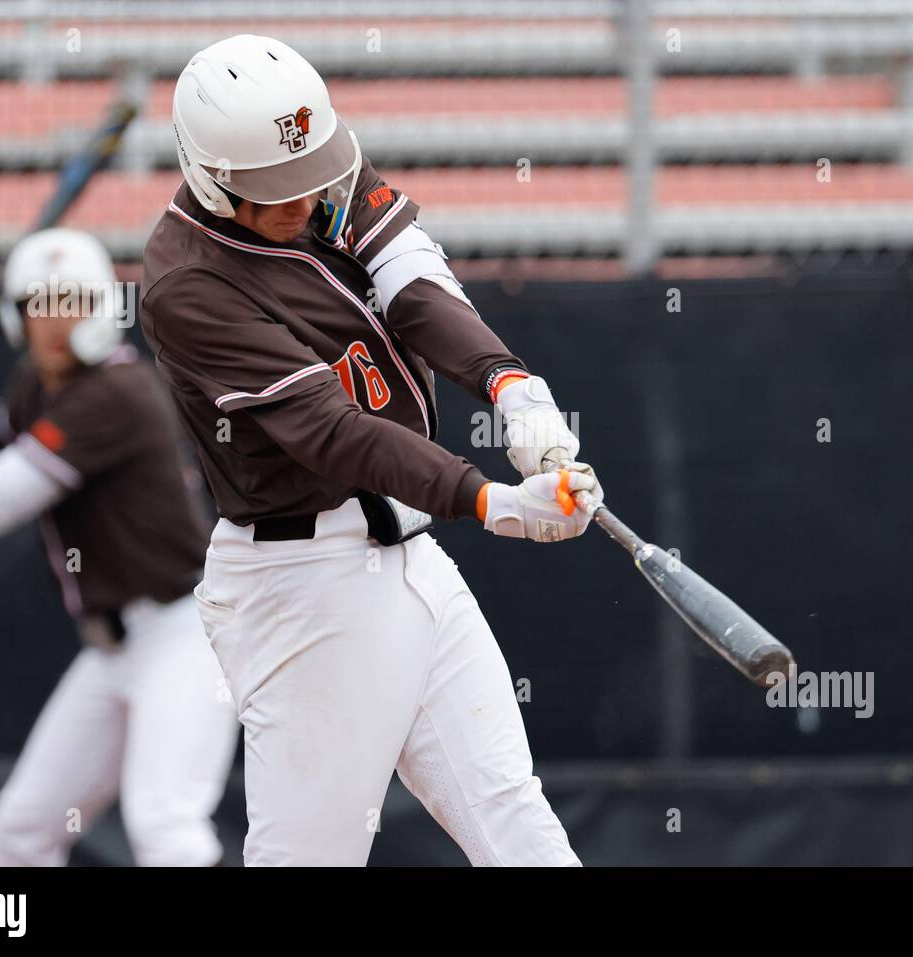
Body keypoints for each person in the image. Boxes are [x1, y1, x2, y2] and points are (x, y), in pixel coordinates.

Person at [140, 34, 601, 866]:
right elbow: (330, 432)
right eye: (280, 190)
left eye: (315, 171)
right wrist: (492, 502)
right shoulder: (186, 283)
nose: (309, 197)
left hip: (410, 557)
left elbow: (413, 284)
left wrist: (511, 388)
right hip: (303, 583)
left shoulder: (314, 162)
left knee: (514, 818)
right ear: (213, 179)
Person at [0, 228, 238, 866]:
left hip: (189, 634)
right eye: (37, 303)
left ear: (99, 306)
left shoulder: (113, 392)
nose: (52, 319)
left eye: (69, 300)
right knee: (22, 831)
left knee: (165, 825)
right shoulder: (42, 386)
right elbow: (4, 430)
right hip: (114, 648)